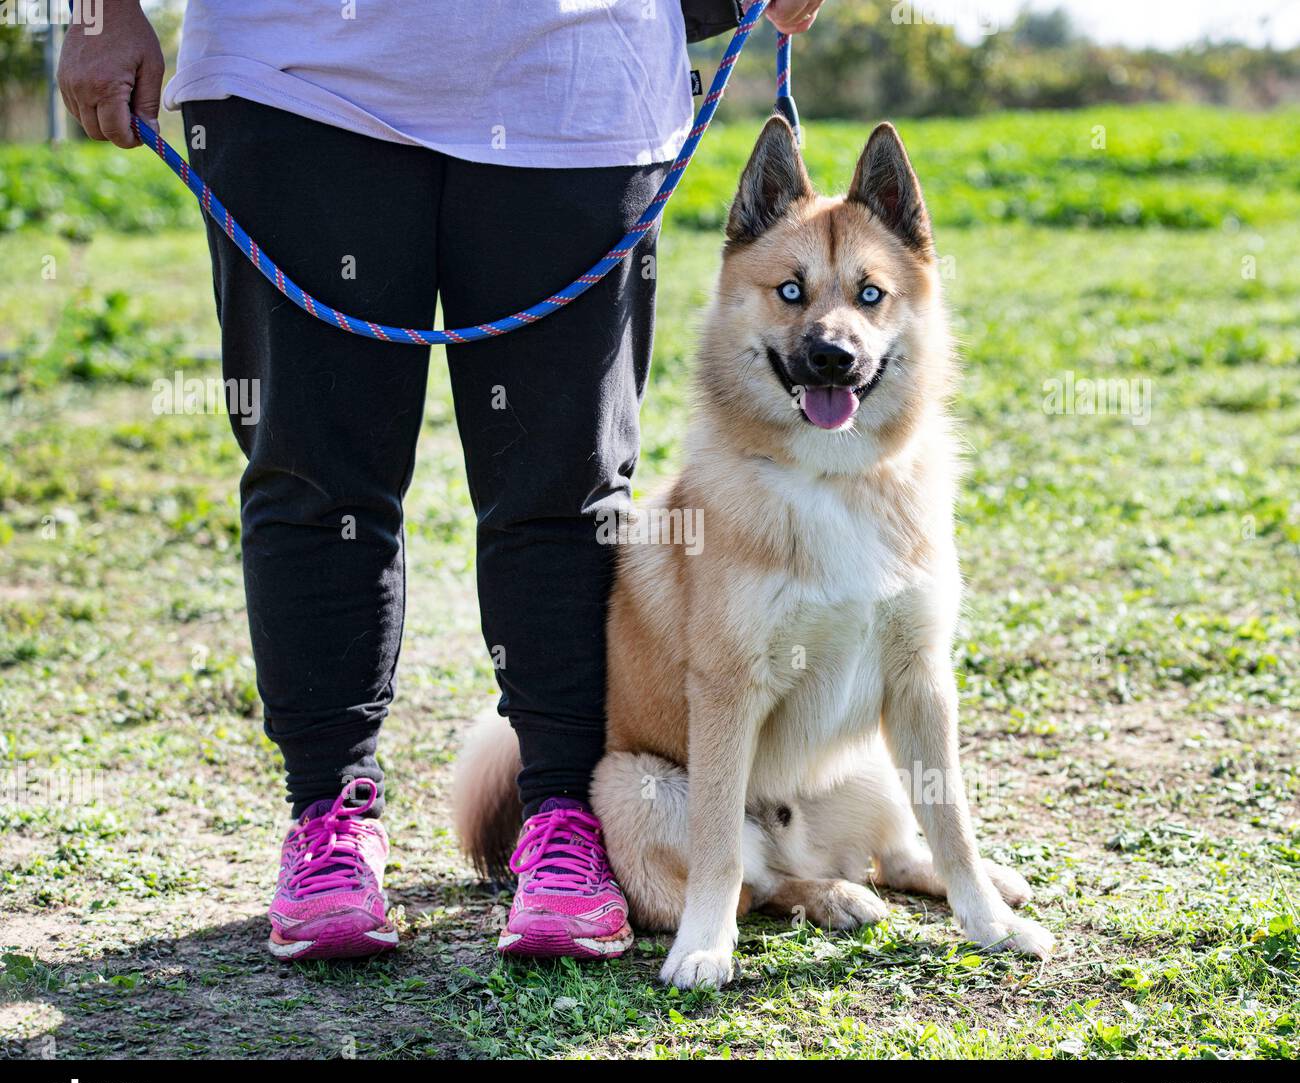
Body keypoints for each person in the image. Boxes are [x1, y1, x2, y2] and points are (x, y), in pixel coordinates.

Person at [57, 0, 827, 963]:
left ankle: (564, 819)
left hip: (576, 81)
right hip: (295, 77)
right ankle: (329, 822)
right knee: (312, 473)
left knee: (567, 481)